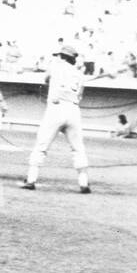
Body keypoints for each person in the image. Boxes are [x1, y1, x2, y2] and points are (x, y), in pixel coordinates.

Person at [22, 43, 91, 192]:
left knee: (41, 146)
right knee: (78, 149)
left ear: (62, 57)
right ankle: (84, 183)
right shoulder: (79, 74)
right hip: (73, 109)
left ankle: (31, 180)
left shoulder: (55, 66)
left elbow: (46, 79)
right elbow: (80, 95)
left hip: (56, 108)